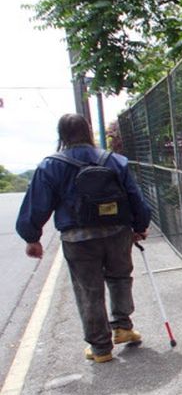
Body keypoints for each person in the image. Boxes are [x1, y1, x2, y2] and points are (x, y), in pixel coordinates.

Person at [16, 114, 152, 364]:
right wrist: (140, 225)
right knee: (120, 278)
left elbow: (37, 205)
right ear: (88, 131)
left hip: (78, 238)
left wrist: (32, 237)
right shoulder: (114, 161)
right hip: (117, 232)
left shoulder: (50, 166)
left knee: (89, 290)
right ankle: (123, 327)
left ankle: (101, 348)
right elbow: (134, 196)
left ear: (61, 135)